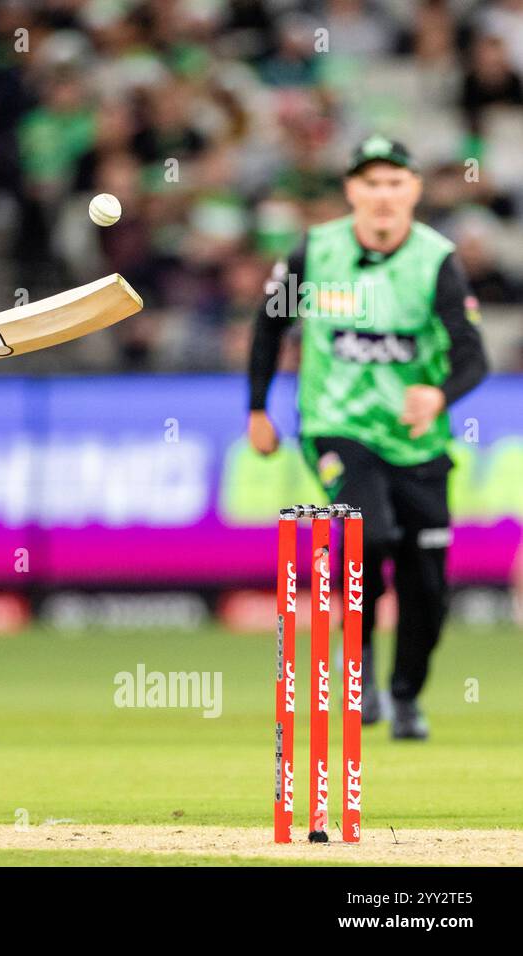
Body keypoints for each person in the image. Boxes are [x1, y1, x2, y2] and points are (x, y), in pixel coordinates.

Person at [247, 136, 488, 741]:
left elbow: (473, 357)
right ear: (351, 191)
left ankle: (405, 694)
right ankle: (361, 681)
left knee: (426, 585)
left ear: (413, 191)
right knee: (367, 533)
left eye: (394, 183)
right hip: (337, 426)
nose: (382, 195)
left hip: (418, 441)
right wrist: (256, 407)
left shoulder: (437, 259)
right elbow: (269, 326)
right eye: (370, 183)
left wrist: (438, 395)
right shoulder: (315, 250)